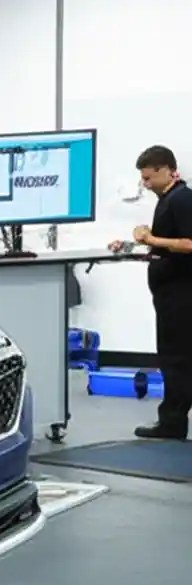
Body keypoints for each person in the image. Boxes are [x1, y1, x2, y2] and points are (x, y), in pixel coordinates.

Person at [109, 145, 192, 439]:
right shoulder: (166, 200)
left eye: (148, 178)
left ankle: (172, 422)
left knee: (176, 359)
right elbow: (166, 247)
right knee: (175, 357)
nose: (144, 185)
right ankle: (173, 418)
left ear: (166, 170)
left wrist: (151, 237)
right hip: (169, 293)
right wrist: (132, 244)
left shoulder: (182, 199)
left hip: (181, 295)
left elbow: (189, 243)